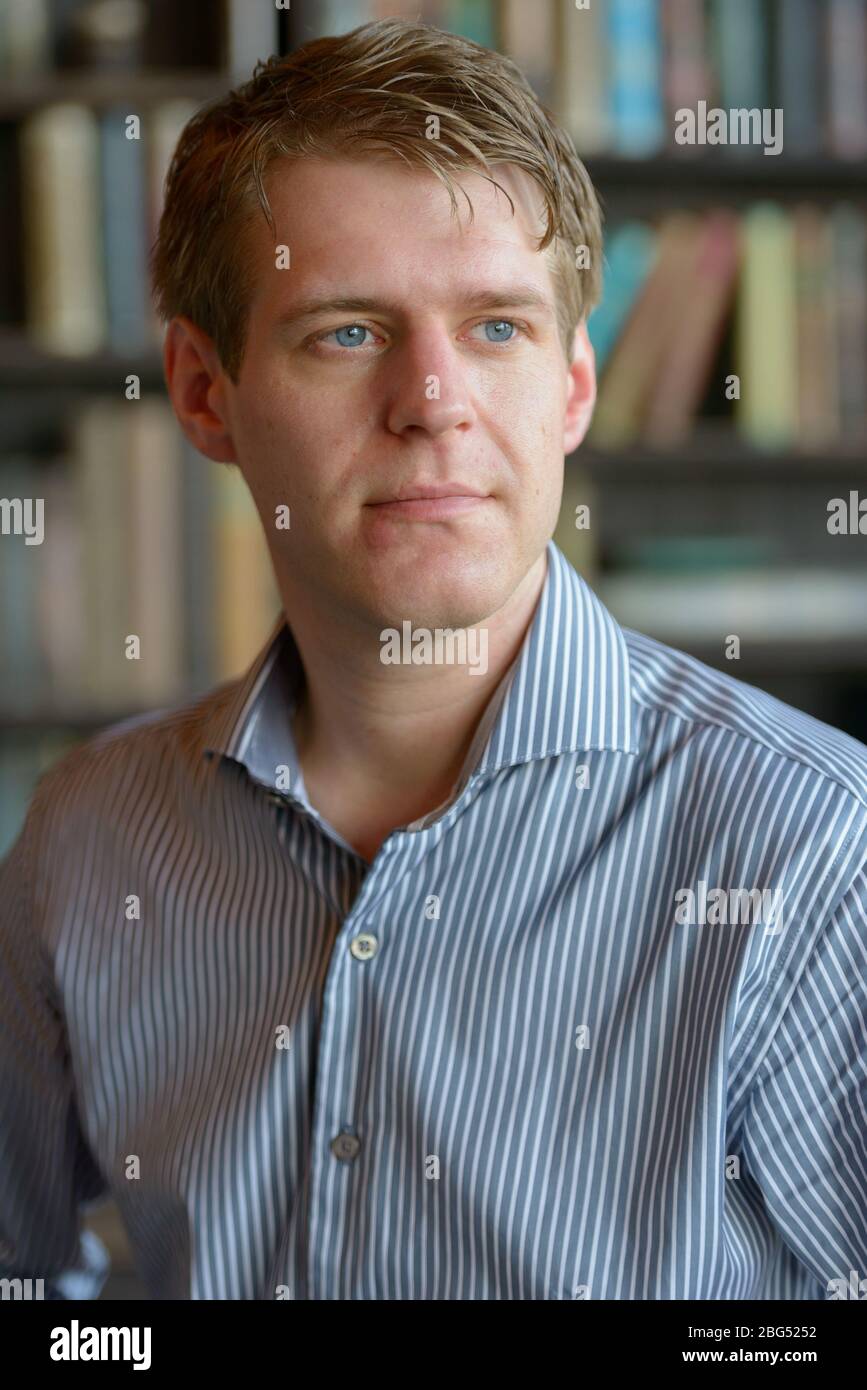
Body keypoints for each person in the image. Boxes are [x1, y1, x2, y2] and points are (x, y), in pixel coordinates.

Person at [1, 18, 865, 1301]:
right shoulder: (87, 839)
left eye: (499, 329)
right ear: (201, 390)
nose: (434, 400)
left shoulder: (816, 850)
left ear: (574, 385)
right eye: (348, 332)